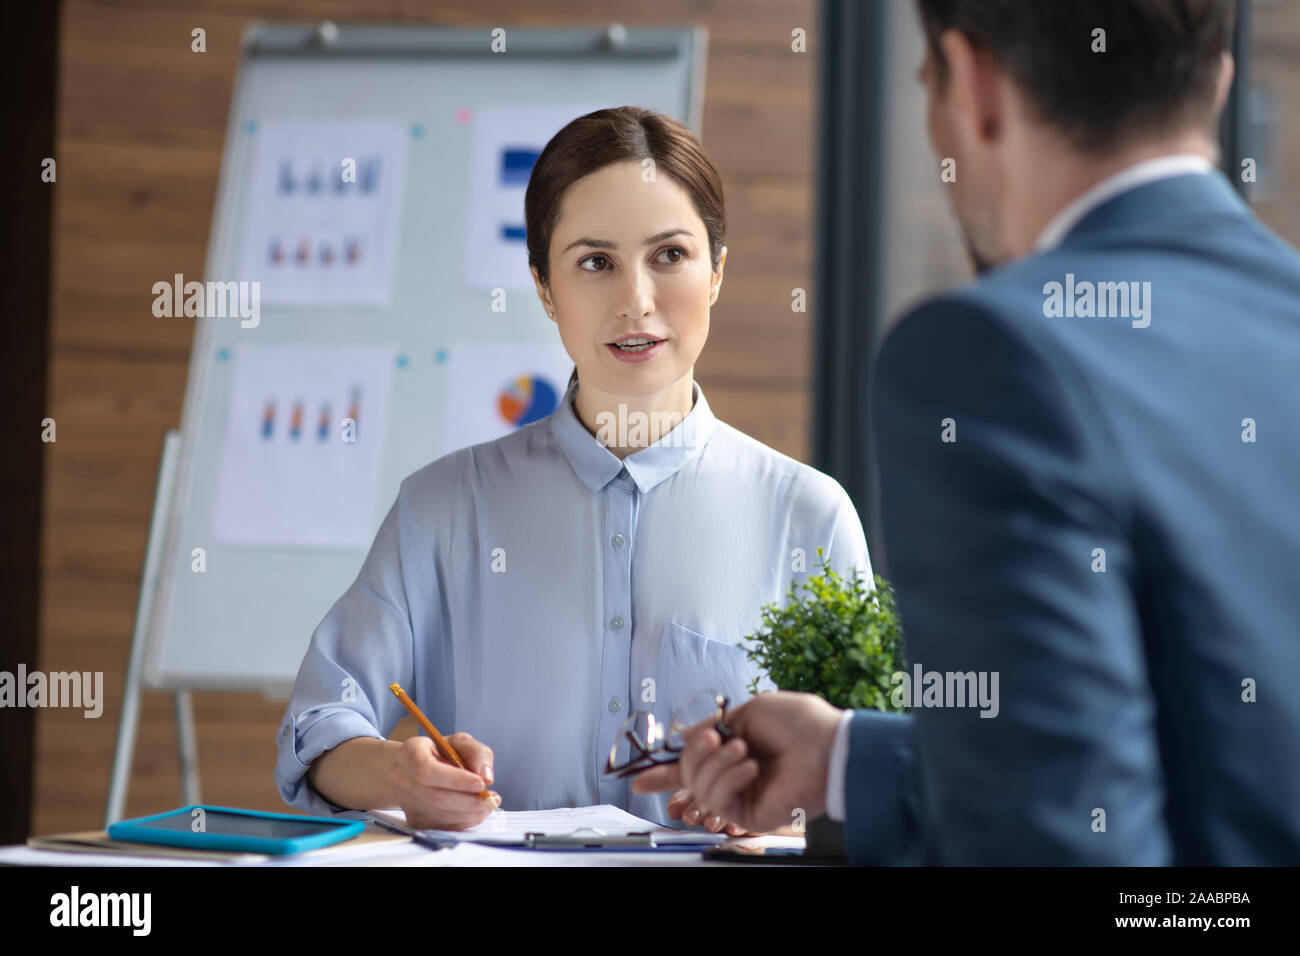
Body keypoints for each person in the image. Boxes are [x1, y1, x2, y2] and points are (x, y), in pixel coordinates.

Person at [635, 0, 1300, 864]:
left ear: (975, 83)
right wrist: (846, 759)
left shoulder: (995, 359)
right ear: (1216, 81)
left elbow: (1056, 846)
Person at [273, 106, 873, 833]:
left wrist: (777, 820)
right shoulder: (443, 507)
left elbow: (867, 775)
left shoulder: (807, 515)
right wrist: (397, 773)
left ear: (716, 271)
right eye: (595, 262)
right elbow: (317, 723)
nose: (635, 302)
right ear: (545, 286)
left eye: (669, 256)